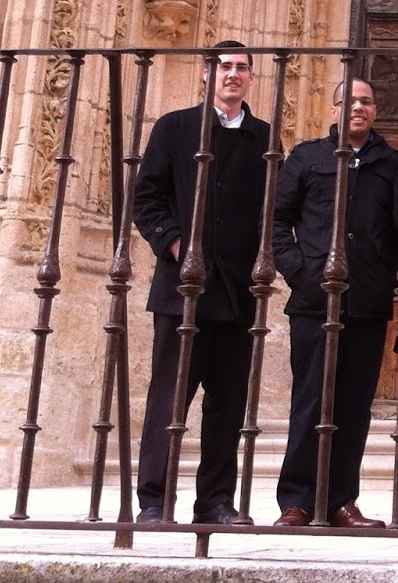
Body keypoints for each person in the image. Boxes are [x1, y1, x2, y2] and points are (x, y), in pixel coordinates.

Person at [131, 42, 271, 525]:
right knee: (168, 399)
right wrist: (175, 245)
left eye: (241, 69)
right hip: (182, 290)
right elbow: (145, 199)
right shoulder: (174, 127)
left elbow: (270, 213)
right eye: (224, 67)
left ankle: (214, 502)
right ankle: (154, 500)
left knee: (227, 404)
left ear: (252, 78)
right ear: (207, 74)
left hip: (237, 293)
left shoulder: (263, 137)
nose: (232, 75)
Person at [273, 79, 398, 529]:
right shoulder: (307, 158)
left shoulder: (392, 164)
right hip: (313, 301)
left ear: (374, 110)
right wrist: (299, 270)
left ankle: (340, 501)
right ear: (333, 109)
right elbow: (276, 223)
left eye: (367, 101)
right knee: (309, 400)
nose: (358, 108)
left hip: (367, 302)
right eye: (349, 100)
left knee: (353, 404)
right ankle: (296, 501)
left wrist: (388, 278)